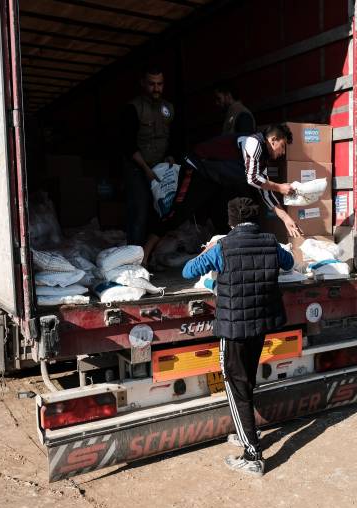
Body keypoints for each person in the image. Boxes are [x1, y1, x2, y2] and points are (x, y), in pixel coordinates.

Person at [181, 197, 294, 476]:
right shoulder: (271, 242)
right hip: (260, 324)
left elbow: (187, 272)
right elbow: (289, 263)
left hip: (233, 329)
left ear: (230, 221)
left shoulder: (222, 247)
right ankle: (245, 431)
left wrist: (205, 253)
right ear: (255, 219)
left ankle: (252, 453)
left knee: (235, 385)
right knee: (247, 381)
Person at [142, 125, 302, 263]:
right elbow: (253, 178)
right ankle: (144, 256)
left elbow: (265, 190)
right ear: (273, 140)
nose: (283, 152)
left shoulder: (262, 159)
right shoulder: (253, 142)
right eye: (283, 146)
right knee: (178, 213)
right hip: (198, 168)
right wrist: (280, 187)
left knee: (222, 218)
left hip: (216, 180)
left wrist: (286, 218)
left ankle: (226, 260)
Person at [120, 64, 175, 249]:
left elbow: (174, 138)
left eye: (160, 84)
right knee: (139, 212)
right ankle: (133, 262)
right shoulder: (133, 108)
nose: (156, 88)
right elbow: (128, 144)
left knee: (159, 212)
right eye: (152, 84)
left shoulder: (169, 108)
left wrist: (170, 156)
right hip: (137, 168)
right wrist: (145, 169)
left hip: (159, 168)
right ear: (143, 83)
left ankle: (148, 257)